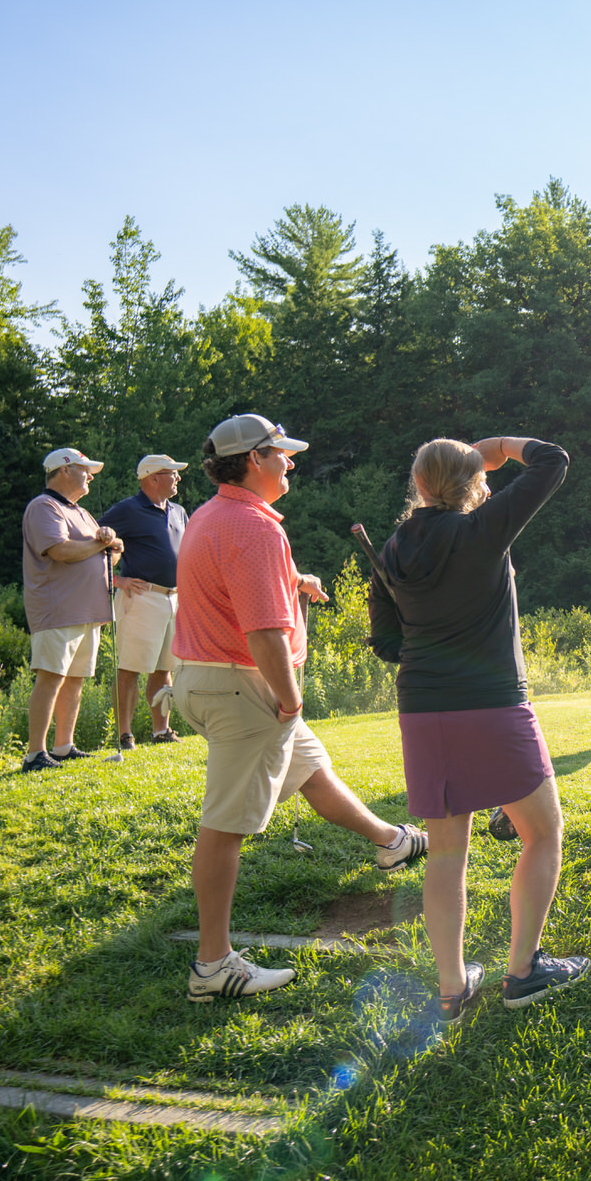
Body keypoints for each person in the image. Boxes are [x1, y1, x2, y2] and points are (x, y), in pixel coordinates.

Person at [173, 413, 429, 1003]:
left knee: (311, 768)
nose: (290, 461)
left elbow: (233, 581)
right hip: (244, 688)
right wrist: (288, 697)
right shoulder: (254, 528)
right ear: (253, 460)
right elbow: (263, 633)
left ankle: (390, 841)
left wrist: (294, 581)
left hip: (205, 679)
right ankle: (212, 965)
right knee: (226, 824)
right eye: (281, 453)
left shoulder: (214, 515)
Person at [368, 435, 591, 1016]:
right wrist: (499, 446)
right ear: (475, 485)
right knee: (543, 833)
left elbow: (388, 643)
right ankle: (523, 971)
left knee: (445, 854)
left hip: (423, 708)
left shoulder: (391, 549)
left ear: (419, 484)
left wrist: (429, 635)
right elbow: (554, 459)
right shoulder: (482, 530)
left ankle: (451, 987)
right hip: (493, 703)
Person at [21, 448, 123, 772]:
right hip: (57, 608)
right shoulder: (44, 506)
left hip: (87, 611)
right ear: (64, 470)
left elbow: (105, 557)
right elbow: (60, 551)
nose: (90, 475)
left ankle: (63, 747)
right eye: (84, 469)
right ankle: (34, 754)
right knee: (51, 677)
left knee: (75, 679)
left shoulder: (82, 512)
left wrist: (114, 546)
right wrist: (102, 543)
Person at [101, 454, 190, 750]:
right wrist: (116, 581)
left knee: (164, 668)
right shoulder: (127, 510)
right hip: (140, 597)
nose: (178, 478)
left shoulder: (178, 511)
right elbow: (94, 543)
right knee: (130, 668)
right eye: (172, 473)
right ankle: (125, 735)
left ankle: (161, 731)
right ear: (153, 478)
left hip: (173, 598)